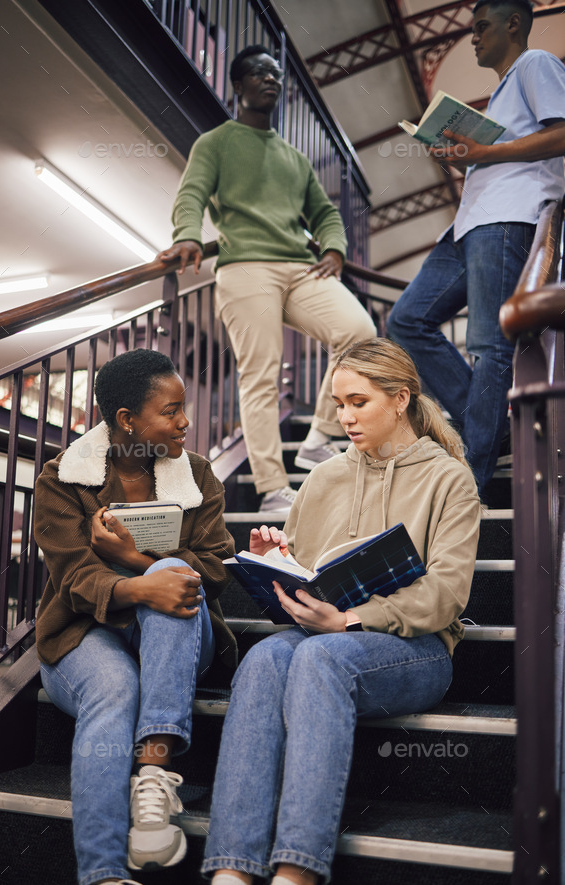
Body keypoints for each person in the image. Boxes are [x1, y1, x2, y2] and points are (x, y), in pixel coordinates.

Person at [201, 338, 481, 885]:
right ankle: (232, 869)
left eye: (359, 402)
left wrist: (351, 621)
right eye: (337, 404)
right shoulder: (323, 478)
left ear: (400, 399)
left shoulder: (449, 478)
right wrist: (276, 565)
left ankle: (296, 870)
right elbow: (309, 577)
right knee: (261, 660)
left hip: (414, 651)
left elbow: (448, 594)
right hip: (324, 638)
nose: (344, 417)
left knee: (321, 659)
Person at [34, 348, 237, 885]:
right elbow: (74, 577)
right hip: (83, 638)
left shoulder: (195, 474)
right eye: (171, 411)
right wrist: (139, 587)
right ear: (127, 421)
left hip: (179, 638)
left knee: (175, 569)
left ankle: (153, 770)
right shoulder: (63, 479)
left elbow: (215, 568)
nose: (185, 421)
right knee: (116, 687)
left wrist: (134, 563)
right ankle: (103, 875)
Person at [159, 44, 377, 514]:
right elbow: (192, 194)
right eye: (260, 73)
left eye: (276, 75)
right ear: (238, 86)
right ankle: (272, 489)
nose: (271, 80)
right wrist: (187, 236)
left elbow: (325, 214)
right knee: (261, 374)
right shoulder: (215, 142)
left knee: (360, 332)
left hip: (300, 267)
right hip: (245, 267)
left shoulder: (294, 158)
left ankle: (321, 434)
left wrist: (335, 247)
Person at [387, 0, 565, 498]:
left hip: (510, 218)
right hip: (469, 225)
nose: (473, 37)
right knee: (407, 320)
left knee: (488, 346)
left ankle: (472, 485)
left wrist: (485, 153)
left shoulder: (536, 64)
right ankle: (493, 425)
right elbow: (504, 156)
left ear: (514, 23)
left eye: (482, 27)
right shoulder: (504, 89)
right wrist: (466, 159)